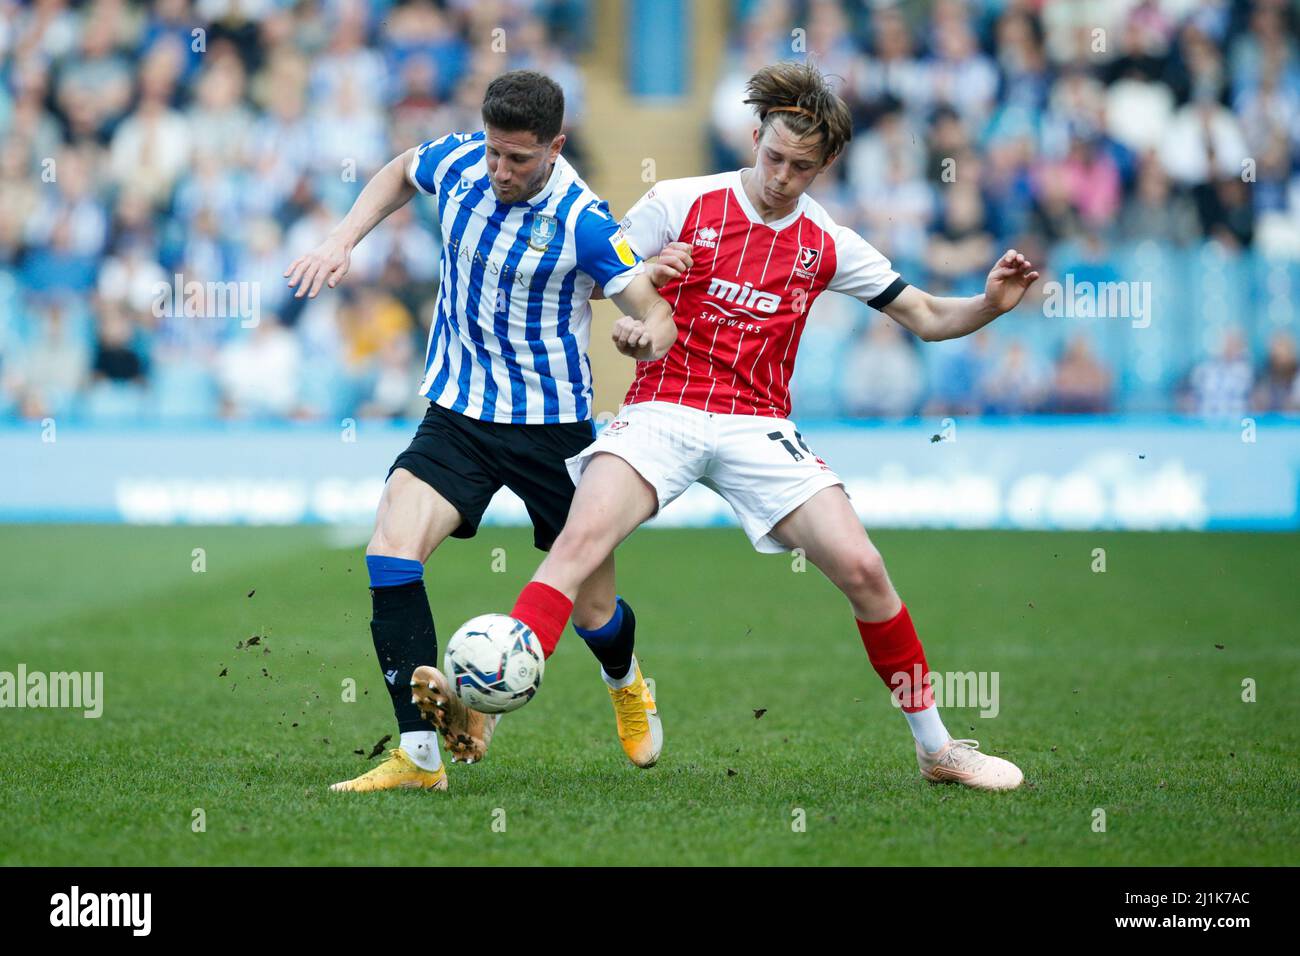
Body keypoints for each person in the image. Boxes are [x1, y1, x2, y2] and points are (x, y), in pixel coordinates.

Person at [452, 62, 1038, 789]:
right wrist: (644, 302)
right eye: (773, 158)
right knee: (578, 542)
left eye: (802, 167)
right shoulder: (679, 200)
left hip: (758, 426)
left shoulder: (827, 243)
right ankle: (485, 705)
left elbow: (923, 315)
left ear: (824, 166)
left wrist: (987, 306)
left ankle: (937, 749)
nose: (782, 177)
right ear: (755, 136)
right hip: (661, 409)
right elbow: (604, 276)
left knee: (864, 569)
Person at [284, 70, 676, 793]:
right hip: (458, 413)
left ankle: (625, 683)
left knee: (594, 610)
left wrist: (640, 336)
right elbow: (401, 170)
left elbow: (656, 313)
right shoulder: (462, 161)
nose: (499, 170)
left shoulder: (585, 222)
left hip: (551, 427)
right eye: (495, 152)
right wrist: (342, 239)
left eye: (518, 159)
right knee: (390, 551)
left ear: (555, 148)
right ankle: (419, 757)